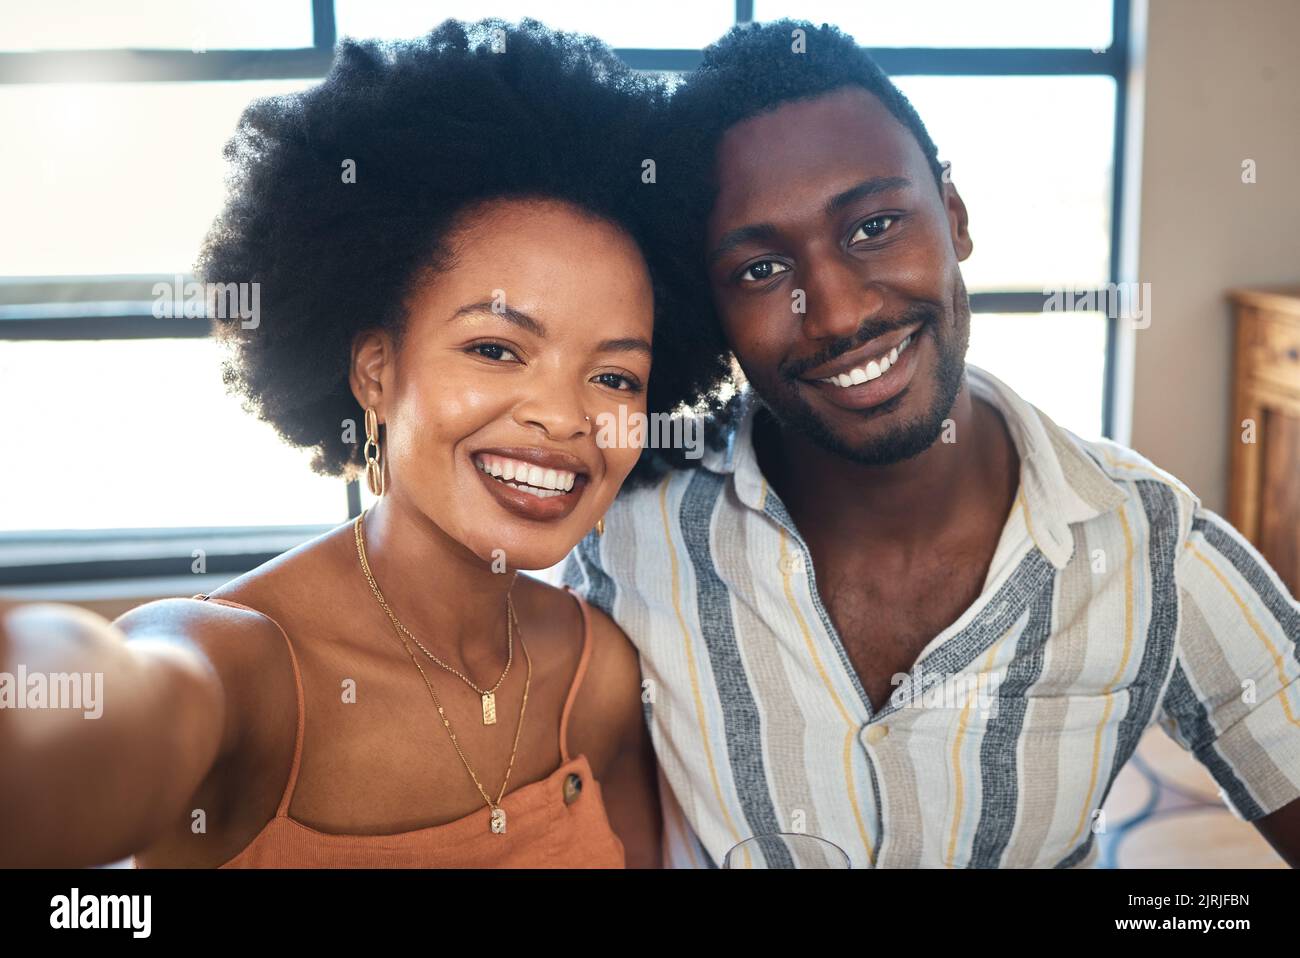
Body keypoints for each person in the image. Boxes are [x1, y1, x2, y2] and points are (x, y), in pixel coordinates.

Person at [564, 20, 1300, 868]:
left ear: (953, 216)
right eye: (761, 271)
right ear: (711, 308)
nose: (837, 313)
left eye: (874, 225)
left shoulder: (1152, 547)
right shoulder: (623, 533)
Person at [0, 18, 727, 869]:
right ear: (376, 371)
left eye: (615, 378)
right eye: (496, 350)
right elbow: (101, 708)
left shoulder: (593, 676)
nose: (565, 419)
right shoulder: (245, 670)